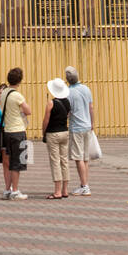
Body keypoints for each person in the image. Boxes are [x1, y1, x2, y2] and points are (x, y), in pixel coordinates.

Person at [0, 67, 31, 199]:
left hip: (7, 131)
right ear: (19, 81)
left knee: (8, 161)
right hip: (18, 131)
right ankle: (15, 190)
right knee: (17, 163)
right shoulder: (17, 95)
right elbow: (28, 110)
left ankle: (7, 189)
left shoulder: (4, 93)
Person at [65, 65, 94, 195]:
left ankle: (84, 185)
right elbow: (91, 107)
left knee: (78, 158)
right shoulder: (86, 89)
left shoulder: (68, 92)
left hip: (76, 128)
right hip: (87, 126)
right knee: (85, 158)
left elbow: (68, 112)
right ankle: (85, 183)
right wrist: (92, 123)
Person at [41, 77, 71, 200]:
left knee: (55, 161)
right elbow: (67, 116)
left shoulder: (51, 103)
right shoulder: (67, 102)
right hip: (65, 132)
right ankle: (65, 189)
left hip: (53, 134)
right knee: (64, 160)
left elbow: (46, 120)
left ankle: (57, 191)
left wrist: (43, 133)